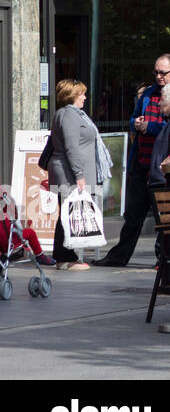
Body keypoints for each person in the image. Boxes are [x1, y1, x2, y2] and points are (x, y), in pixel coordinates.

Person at [93, 54, 170, 267]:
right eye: (156, 72)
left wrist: (149, 127)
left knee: (165, 217)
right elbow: (134, 119)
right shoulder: (148, 93)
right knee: (133, 214)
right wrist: (136, 122)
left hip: (165, 168)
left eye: (163, 72)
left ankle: (164, 259)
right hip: (143, 162)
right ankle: (118, 256)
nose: (158, 76)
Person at [47, 79, 100, 270]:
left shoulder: (75, 114)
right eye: (81, 94)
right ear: (71, 95)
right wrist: (79, 174)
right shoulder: (69, 115)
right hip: (68, 172)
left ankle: (66, 255)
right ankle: (64, 256)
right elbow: (71, 147)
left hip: (70, 171)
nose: (85, 97)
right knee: (69, 212)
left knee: (70, 212)